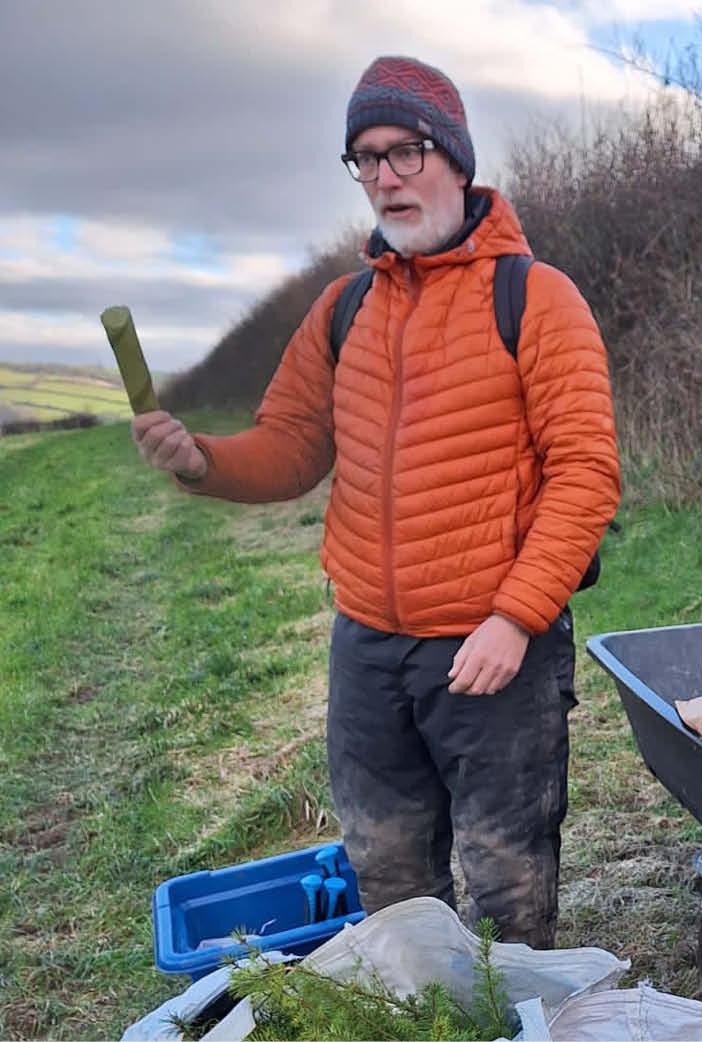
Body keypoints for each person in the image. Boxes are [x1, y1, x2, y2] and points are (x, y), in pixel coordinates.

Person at [131, 55, 621, 949]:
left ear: (457, 159)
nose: (386, 177)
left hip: (493, 655)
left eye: (407, 151)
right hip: (367, 650)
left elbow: (586, 474)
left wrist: (515, 618)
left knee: (508, 887)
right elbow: (287, 448)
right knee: (388, 881)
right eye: (365, 158)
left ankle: (510, 1016)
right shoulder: (342, 309)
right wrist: (200, 462)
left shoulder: (538, 301)